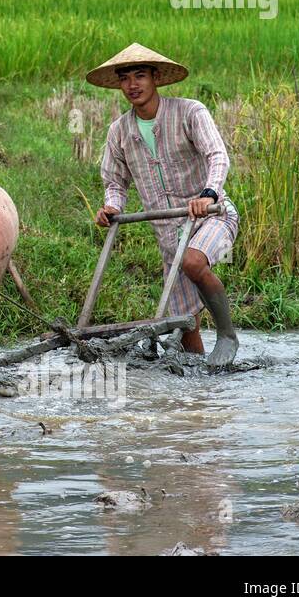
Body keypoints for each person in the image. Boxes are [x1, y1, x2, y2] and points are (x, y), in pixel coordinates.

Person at [88, 43, 240, 366]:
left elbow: (217, 155)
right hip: (169, 238)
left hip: (212, 217)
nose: (133, 85)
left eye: (140, 76)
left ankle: (227, 335)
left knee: (194, 262)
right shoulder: (118, 132)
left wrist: (208, 194)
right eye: (126, 78)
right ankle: (201, 389)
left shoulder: (189, 112)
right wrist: (112, 207)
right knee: (185, 329)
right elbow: (115, 181)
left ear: (156, 77)